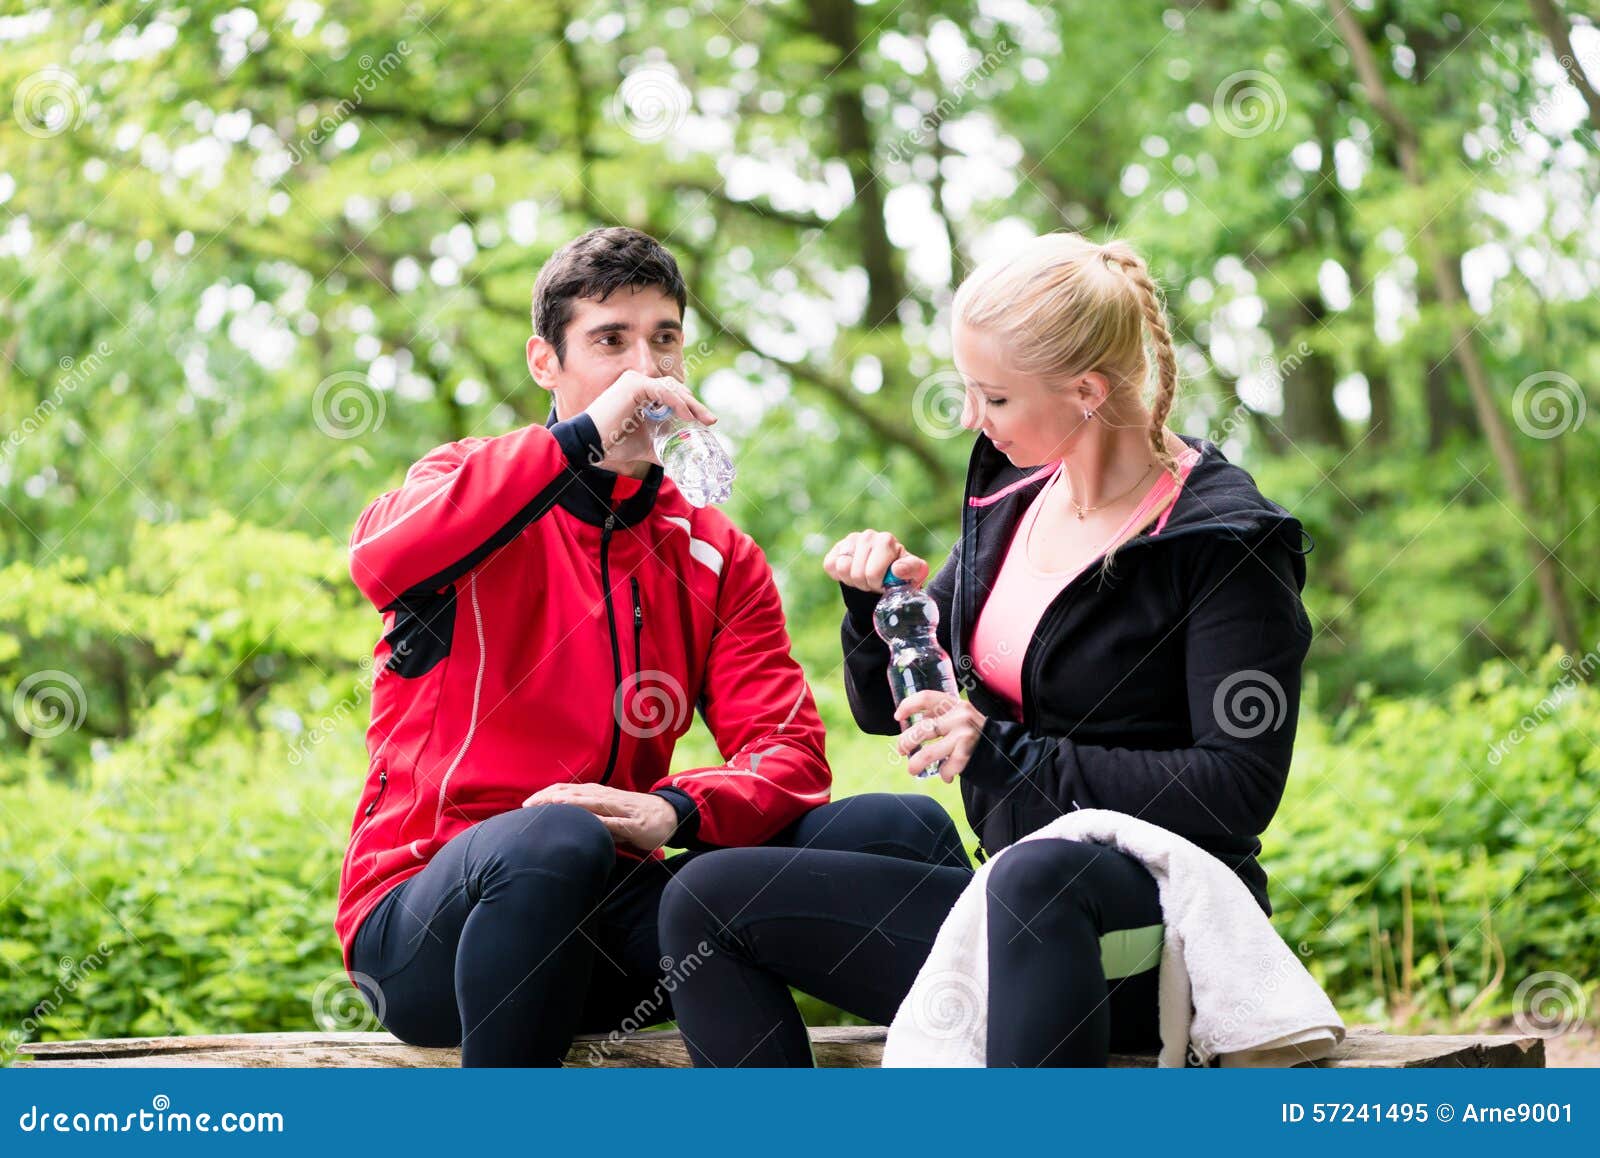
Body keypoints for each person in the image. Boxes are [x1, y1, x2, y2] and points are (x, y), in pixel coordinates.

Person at [657, 232, 1314, 1067]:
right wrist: (877, 610)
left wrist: (1001, 749)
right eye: (967, 390)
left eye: (993, 398)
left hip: (1157, 929)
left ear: (1085, 391)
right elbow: (895, 711)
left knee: (1033, 880)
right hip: (1005, 910)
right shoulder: (1013, 499)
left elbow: (1235, 792)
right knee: (702, 902)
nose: (971, 418)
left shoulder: (1224, 543)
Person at [333, 227, 968, 1067]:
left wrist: (676, 809)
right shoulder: (468, 483)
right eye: (609, 341)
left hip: (609, 918)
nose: (648, 369)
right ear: (543, 364)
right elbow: (378, 559)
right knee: (558, 839)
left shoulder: (714, 551)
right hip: (426, 928)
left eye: (665, 338)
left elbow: (787, 754)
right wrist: (580, 441)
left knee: (899, 828)